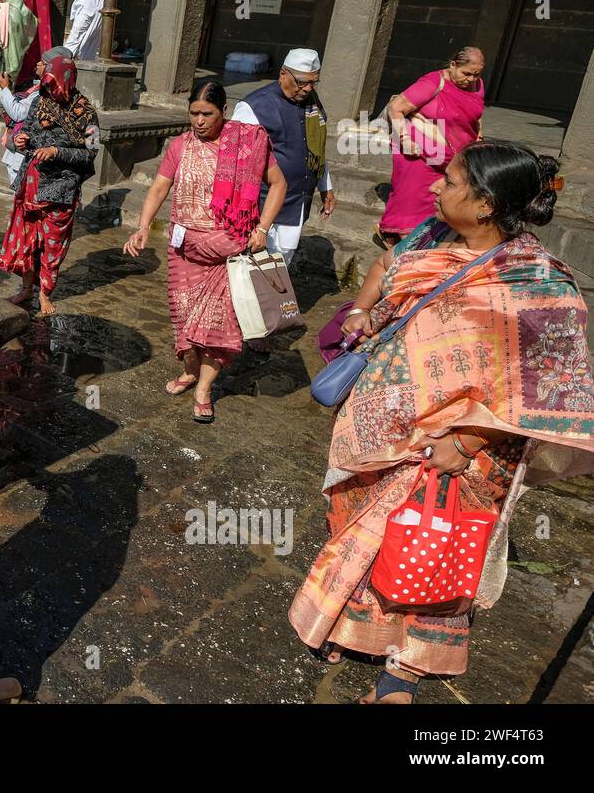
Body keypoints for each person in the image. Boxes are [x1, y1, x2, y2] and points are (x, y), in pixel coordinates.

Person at [290, 142, 594, 703]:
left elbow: (552, 391)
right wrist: (361, 309)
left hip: (457, 453)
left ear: (484, 205)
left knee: (435, 551)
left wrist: (469, 438)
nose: (433, 187)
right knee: (367, 533)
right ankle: (354, 626)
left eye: (449, 181)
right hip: (380, 430)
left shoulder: (539, 285)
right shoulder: (432, 236)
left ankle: (401, 675)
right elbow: (387, 265)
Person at [124, 79, 288, 422]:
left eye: (207, 114)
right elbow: (158, 188)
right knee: (185, 321)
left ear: (223, 112)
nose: (199, 121)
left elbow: (278, 185)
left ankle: (204, 389)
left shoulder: (248, 143)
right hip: (184, 248)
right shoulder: (180, 146)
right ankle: (189, 370)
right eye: (194, 113)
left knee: (218, 324)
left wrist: (262, 228)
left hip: (228, 249)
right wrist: (142, 227)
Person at [0, 56, 98, 318]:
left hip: (61, 188)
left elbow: (90, 153)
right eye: (47, 84)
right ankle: (26, 289)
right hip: (31, 182)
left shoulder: (86, 112)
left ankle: (45, 293)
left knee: (52, 244)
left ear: (67, 80)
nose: (50, 90)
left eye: (54, 85)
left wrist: (57, 151)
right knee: (28, 239)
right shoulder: (40, 100)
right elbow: (27, 132)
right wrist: (21, 140)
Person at [231, 48, 334, 270]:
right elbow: (234, 162)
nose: (307, 89)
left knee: (278, 269)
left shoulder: (312, 105)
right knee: (250, 272)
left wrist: (326, 186)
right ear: (283, 73)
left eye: (313, 82)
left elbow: (316, 148)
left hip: (298, 204)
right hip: (262, 206)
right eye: (301, 82)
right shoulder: (254, 107)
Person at [377, 47, 486, 245]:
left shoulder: (477, 85)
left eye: (476, 74)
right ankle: (406, 247)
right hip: (419, 152)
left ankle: (410, 242)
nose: (471, 79)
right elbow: (396, 107)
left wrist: (478, 137)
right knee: (413, 200)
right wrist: (404, 139)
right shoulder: (433, 82)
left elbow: (477, 115)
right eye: (466, 73)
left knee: (439, 202)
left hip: (453, 157)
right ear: (453, 65)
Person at [0, 46, 73, 186]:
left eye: (43, 63)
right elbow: (27, 123)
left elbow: (18, 113)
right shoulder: (39, 91)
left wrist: (4, 89)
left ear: (53, 69)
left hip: (33, 161)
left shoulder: (44, 96)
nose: (37, 63)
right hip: (23, 154)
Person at [0, 0, 36, 95]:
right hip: (16, 50)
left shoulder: (1, 8)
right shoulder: (25, 11)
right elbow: (32, 26)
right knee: (12, 72)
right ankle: (8, 94)